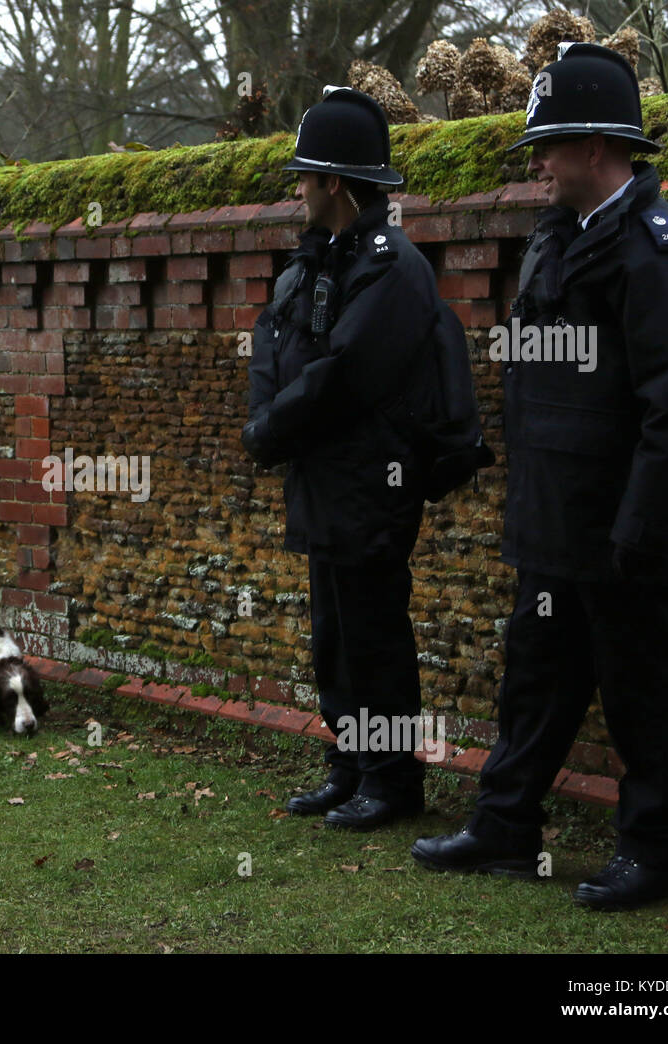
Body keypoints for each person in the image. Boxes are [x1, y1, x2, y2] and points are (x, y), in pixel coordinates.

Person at [411, 43, 668, 910]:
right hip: (554, 517)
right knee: (536, 676)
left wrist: (644, 521)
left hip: (624, 524)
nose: (537, 163)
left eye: (549, 147)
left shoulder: (659, 255)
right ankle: (506, 824)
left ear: (598, 149)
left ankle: (651, 850)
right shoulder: (561, 237)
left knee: (638, 689)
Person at [242, 87, 445, 830]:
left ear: (332, 182)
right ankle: (352, 762)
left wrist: (273, 428)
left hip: (372, 479)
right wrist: (266, 416)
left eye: (305, 174)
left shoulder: (393, 267)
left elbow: (347, 373)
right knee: (334, 635)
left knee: (372, 636)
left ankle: (392, 780)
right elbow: (275, 339)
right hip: (324, 477)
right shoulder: (320, 258)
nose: (297, 187)